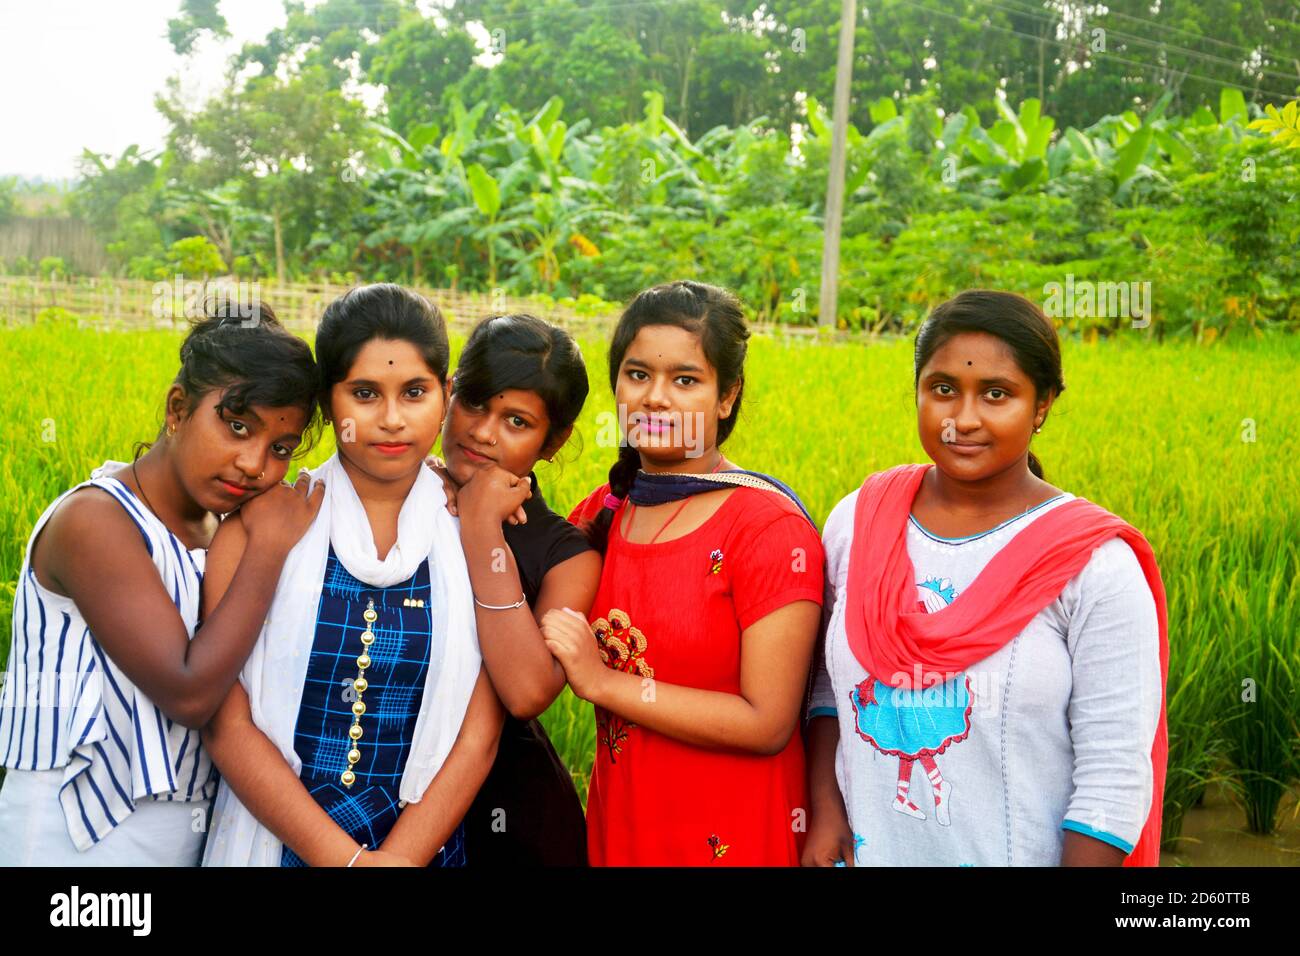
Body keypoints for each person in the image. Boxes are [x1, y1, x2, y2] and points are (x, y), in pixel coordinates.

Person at [803, 289, 1168, 867]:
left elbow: (1114, 776)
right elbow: (826, 686)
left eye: (996, 394)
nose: (963, 419)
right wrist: (825, 810)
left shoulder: (1095, 565)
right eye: (943, 389)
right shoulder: (858, 520)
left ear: (1042, 405)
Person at [0, 302, 322, 865]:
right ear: (178, 410)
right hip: (71, 828)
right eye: (237, 426)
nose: (254, 464)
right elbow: (189, 692)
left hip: (188, 829)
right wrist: (268, 550)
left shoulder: (221, 530)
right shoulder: (96, 521)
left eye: (280, 448)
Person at [200, 283, 503, 867]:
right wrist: (345, 860)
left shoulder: (477, 536)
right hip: (275, 841)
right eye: (364, 393)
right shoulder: (262, 527)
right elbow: (225, 719)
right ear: (328, 401)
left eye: (414, 392)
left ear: (445, 395)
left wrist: (399, 860)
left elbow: (477, 736)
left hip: (421, 850)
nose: (391, 420)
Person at [554, 279, 824, 866]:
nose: (655, 398)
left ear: (727, 397)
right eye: (637, 375)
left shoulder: (766, 528)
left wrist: (602, 683)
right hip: (623, 823)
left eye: (685, 379)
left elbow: (767, 721)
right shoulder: (604, 511)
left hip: (731, 834)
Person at [439, 313, 598, 867]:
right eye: (475, 402)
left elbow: (528, 691)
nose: (483, 431)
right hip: (369, 793)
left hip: (509, 825)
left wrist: (483, 530)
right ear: (447, 391)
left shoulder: (565, 554)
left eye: (516, 421)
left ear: (553, 441)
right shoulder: (389, 495)